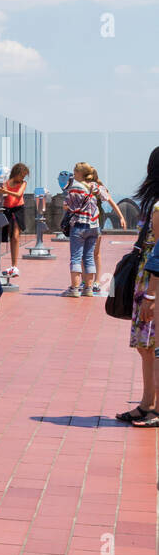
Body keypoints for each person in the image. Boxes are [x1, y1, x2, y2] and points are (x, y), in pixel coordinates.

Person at [117, 146, 159, 426]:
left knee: (155, 346)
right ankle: (147, 403)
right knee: (146, 346)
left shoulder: (158, 206)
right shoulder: (153, 203)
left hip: (154, 282)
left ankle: (155, 409)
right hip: (147, 278)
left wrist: (151, 294)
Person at [62, 162, 110, 296]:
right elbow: (106, 197)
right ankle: (88, 288)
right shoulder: (94, 186)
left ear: (78, 173)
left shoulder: (75, 187)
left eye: (74, 172)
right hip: (94, 226)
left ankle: (75, 289)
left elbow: (67, 206)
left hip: (79, 225)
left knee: (76, 258)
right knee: (89, 257)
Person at [82, 164, 127, 293]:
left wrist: (121, 217)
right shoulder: (82, 187)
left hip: (96, 221)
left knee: (95, 253)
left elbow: (111, 202)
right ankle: (85, 280)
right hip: (83, 220)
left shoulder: (99, 189)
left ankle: (96, 281)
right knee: (83, 252)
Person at [0, 162, 29, 276]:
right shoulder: (6, 182)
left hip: (18, 209)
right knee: (8, 236)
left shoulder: (23, 183)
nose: (22, 178)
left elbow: (18, 194)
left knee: (15, 236)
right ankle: (8, 264)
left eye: (24, 176)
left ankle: (15, 265)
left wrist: (5, 191)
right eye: (21, 175)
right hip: (7, 209)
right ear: (16, 173)